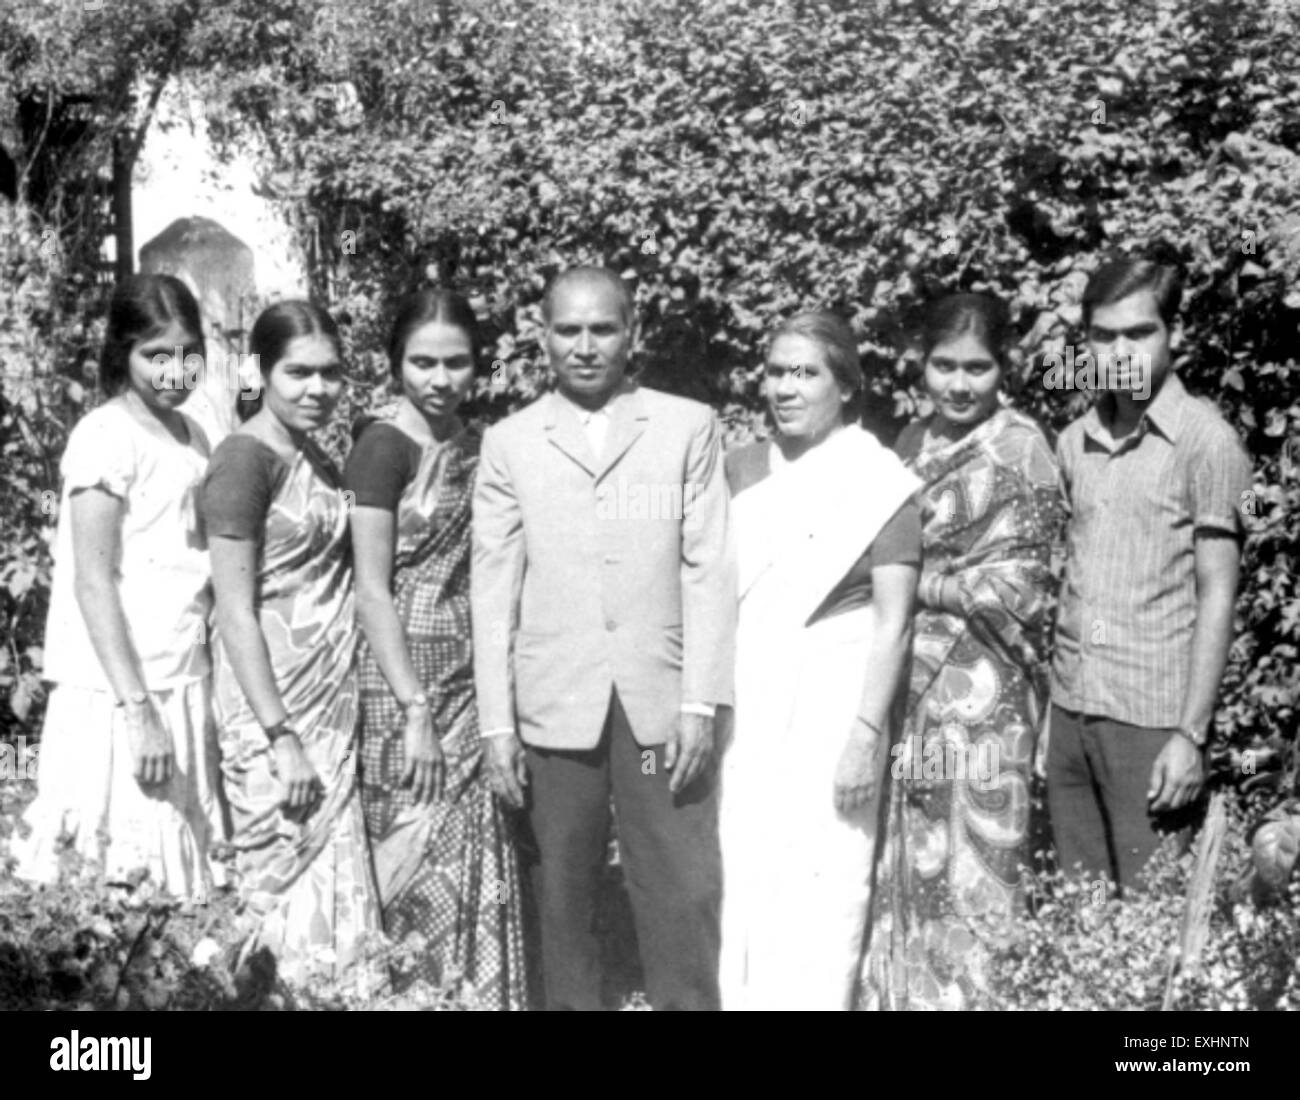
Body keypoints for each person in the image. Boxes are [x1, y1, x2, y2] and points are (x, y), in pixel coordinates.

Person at [471, 267, 735, 1011]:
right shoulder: (511, 443)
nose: (585, 347)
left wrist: (700, 702)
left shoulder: (687, 425)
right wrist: (498, 722)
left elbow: (707, 568)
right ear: (543, 336)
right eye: (568, 330)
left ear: (633, 332)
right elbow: (492, 592)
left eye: (603, 329)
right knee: (564, 891)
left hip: (660, 703)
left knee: (680, 887)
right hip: (555, 702)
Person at [861, 292, 1063, 1010]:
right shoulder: (909, 444)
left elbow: (1028, 587)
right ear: (921, 364)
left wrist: (924, 585)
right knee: (914, 858)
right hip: (909, 689)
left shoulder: (1022, 448)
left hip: (989, 697)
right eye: (943, 365)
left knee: (978, 865)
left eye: (976, 367)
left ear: (1002, 369)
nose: (958, 383)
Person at [718, 311, 920, 1011]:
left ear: (846, 385)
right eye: (775, 372)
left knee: (829, 874)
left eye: (806, 373)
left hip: (839, 704)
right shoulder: (739, 468)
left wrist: (865, 735)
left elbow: (893, 622)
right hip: (750, 698)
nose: (786, 388)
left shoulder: (881, 481)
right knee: (745, 868)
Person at [13, 275, 223, 901]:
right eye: (155, 355)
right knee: (110, 883)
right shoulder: (104, 437)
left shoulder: (196, 436)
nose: (174, 371)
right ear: (121, 354)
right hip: (118, 688)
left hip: (180, 671)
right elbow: (92, 582)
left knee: (176, 886)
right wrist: (137, 711)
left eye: (188, 354)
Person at [345, 290, 526, 1008]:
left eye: (456, 363)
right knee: (409, 844)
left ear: (478, 368)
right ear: (396, 365)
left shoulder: (480, 449)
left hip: (470, 667)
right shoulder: (383, 447)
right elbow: (370, 589)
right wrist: (415, 708)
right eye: (422, 362)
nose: (439, 379)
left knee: (468, 842)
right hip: (401, 682)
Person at [1048, 258, 1251, 892]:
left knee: (1150, 926)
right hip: (1070, 713)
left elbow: (1218, 592)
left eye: (1139, 333)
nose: (1120, 350)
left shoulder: (1206, 442)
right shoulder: (1073, 440)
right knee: (1078, 921)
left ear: (1174, 334)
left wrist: (1191, 734)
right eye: (1103, 336)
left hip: (1152, 723)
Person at [201, 301, 382, 988]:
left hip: (328, 711)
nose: (318, 389)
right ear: (262, 373)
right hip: (273, 713)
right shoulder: (243, 461)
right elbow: (236, 611)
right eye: (298, 373)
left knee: (332, 880)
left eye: (331, 373)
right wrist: (280, 736)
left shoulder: (312, 454)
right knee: (276, 886)